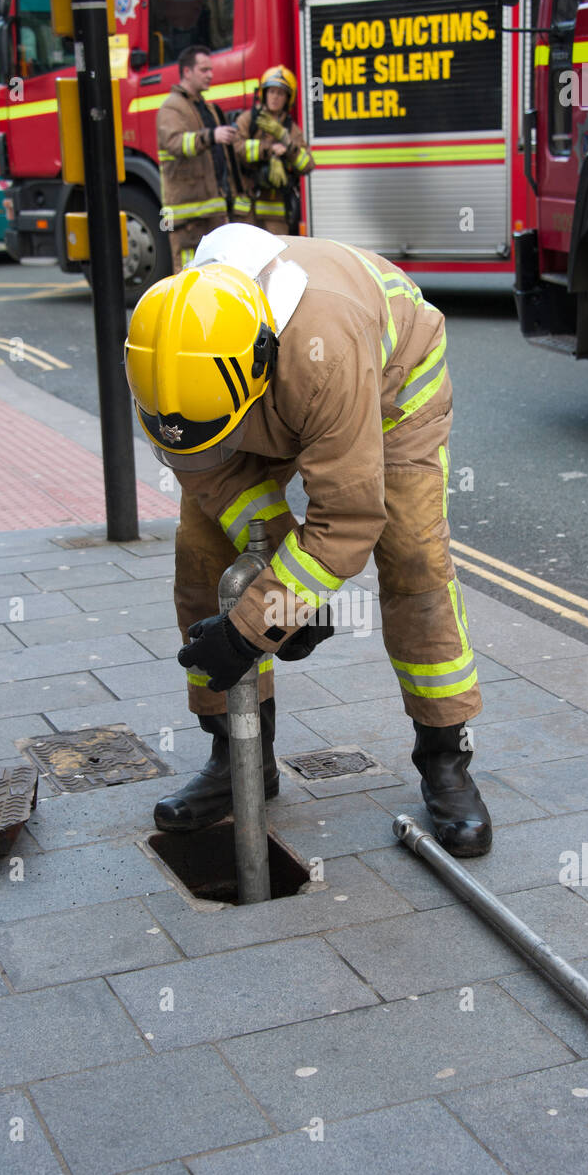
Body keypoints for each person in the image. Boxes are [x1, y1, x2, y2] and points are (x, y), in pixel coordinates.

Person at [124, 224, 492, 858]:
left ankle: (445, 761)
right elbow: (214, 478)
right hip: (260, 395)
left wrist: (251, 628)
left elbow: (347, 518)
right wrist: (287, 605)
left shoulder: (328, 357)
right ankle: (239, 758)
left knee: (412, 555)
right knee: (203, 550)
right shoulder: (167, 363)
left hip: (390, 380)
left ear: (258, 368)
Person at [156, 44, 238, 272]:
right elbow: (175, 143)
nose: (210, 74)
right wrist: (212, 136)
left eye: (211, 69)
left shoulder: (206, 108)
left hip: (212, 214)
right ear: (186, 72)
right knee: (189, 280)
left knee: (215, 277)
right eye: (204, 70)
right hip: (187, 220)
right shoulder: (171, 108)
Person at [231, 66, 314, 233]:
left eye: (280, 93)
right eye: (272, 92)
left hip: (275, 213)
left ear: (287, 98)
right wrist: (269, 150)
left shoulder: (290, 129)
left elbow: (307, 164)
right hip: (246, 209)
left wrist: (288, 144)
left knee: (275, 258)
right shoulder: (248, 120)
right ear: (264, 93)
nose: (275, 97)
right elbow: (236, 148)